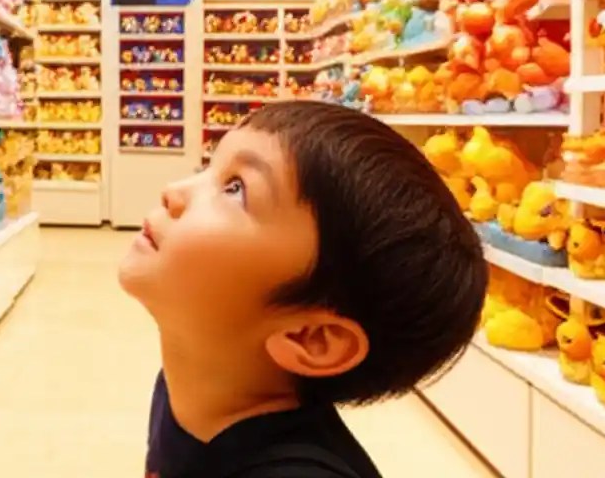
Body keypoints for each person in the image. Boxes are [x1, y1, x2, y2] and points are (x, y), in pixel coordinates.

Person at [119, 102, 487, 478]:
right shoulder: (185, 388)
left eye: (235, 189)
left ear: (312, 338)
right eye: (207, 168)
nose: (173, 192)